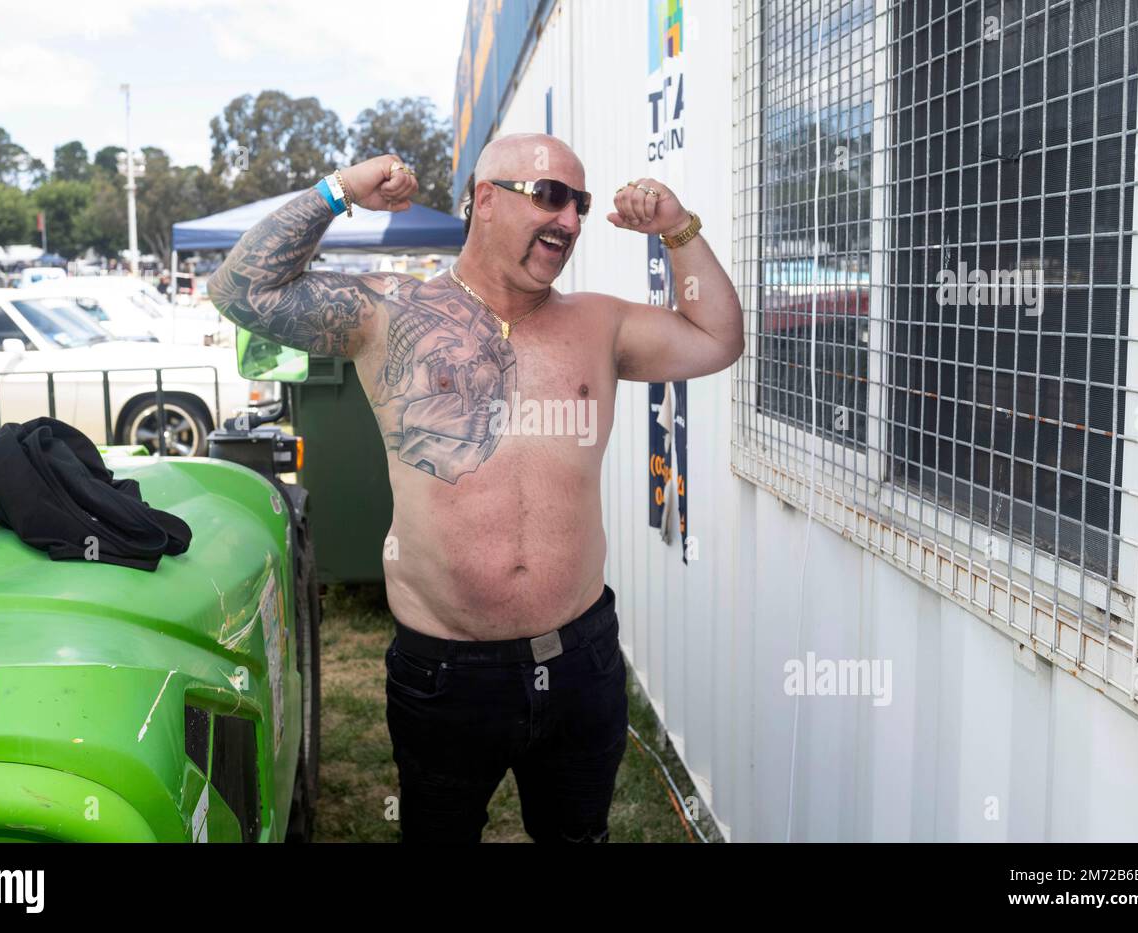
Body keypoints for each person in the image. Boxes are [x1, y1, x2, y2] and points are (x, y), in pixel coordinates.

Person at [208, 135, 743, 842]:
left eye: (578, 205)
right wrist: (338, 191)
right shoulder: (390, 315)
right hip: (446, 672)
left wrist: (678, 227)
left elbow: (717, 338)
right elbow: (241, 290)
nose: (571, 221)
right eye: (550, 196)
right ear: (485, 200)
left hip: (579, 659)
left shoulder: (599, 324)